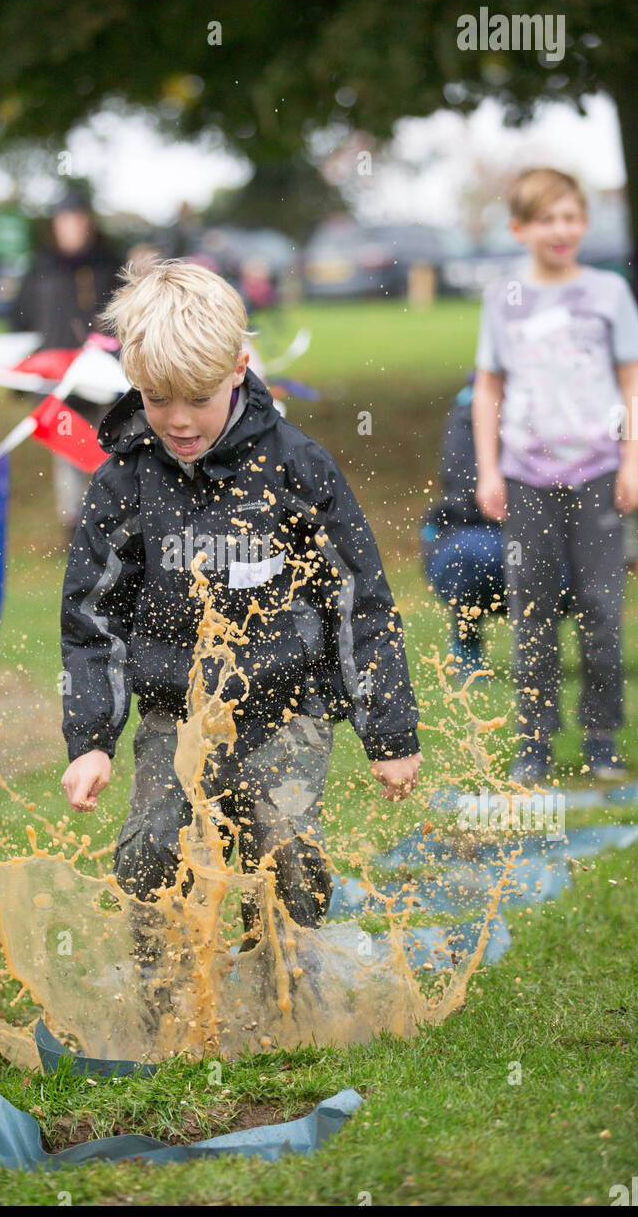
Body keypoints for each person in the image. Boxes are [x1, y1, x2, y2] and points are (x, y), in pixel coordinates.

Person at [58, 260, 422, 970]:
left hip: (288, 706)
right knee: (150, 855)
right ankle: (163, 991)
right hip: (174, 710)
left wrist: (389, 730)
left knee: (282, 852)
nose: (180, 420)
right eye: (158, 398)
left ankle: (284, 978)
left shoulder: (296, 468)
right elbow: (92, 618)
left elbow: (357, 602)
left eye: (197, 396)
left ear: (238, 368)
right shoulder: (125, 479)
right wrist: (93, 738)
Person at [473, 168, 638, 783]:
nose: (562, 229)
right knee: (534, 611)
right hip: (525, 478)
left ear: (584, 223)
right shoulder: (504, 297)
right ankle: (535, 742)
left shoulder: (608, 292)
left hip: (600, 471)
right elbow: (488, 386)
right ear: (520, 228)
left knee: (603, 608)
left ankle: (601, 737)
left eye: (571, 216)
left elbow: (634, 378)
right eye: (547, 218)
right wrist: (490, 469)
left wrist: (634, 458)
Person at [421, 376, 571, 677]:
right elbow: (466, 490)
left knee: (582, 556)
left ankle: (548, 649)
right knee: (476, 556)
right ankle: (467, 638)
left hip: (550, 532)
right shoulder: (472, 404)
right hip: (478, 528)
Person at [10, 189, 123, 534]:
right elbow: (21, 323)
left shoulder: (109, 266)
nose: (72, 227)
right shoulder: (40, 270)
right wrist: (21, 374)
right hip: (58, 383)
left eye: (77, 220)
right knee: (69, 454)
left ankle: (113, 520)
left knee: (109, 449)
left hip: (107, 379)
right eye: (65, 221)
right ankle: (73, 526)